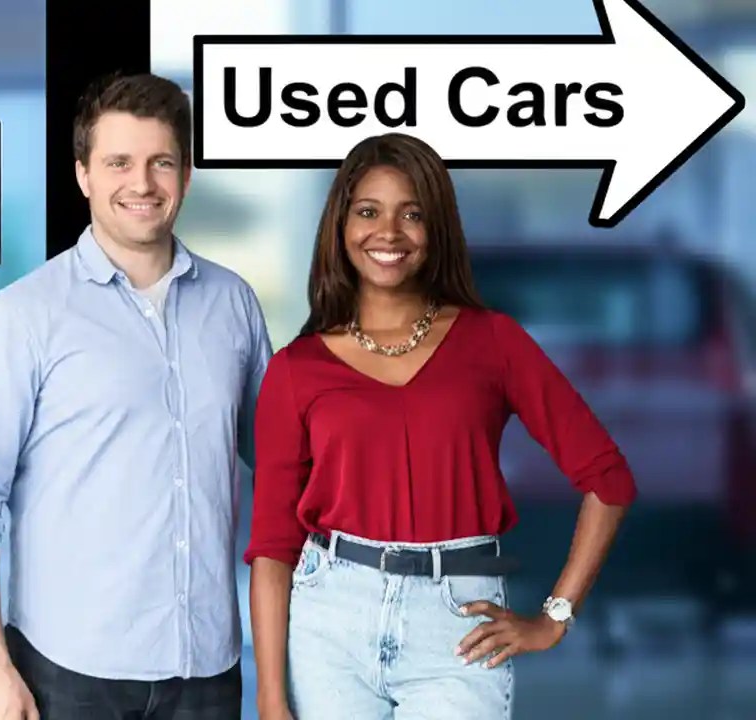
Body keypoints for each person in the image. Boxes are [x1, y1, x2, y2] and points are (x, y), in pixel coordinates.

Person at [245, 132, 637, 720]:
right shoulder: (297, 369)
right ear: (341, 226)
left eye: (412, 214)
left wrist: (554, 617)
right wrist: (272, 699)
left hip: (458, 624)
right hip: (329, 625)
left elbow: (608, 478)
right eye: (368, 211)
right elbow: (274, 549)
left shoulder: (493, 342)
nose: (389, 233)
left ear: (437, 230)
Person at [0, 71, 273, 720]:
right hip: (68, 675)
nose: (141, 184)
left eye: (161, 163)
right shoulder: (23, 316)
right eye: (119, 162)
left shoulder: (234, 304)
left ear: (187, 174)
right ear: (84, 174)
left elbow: (287, 462)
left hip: (208, 669)